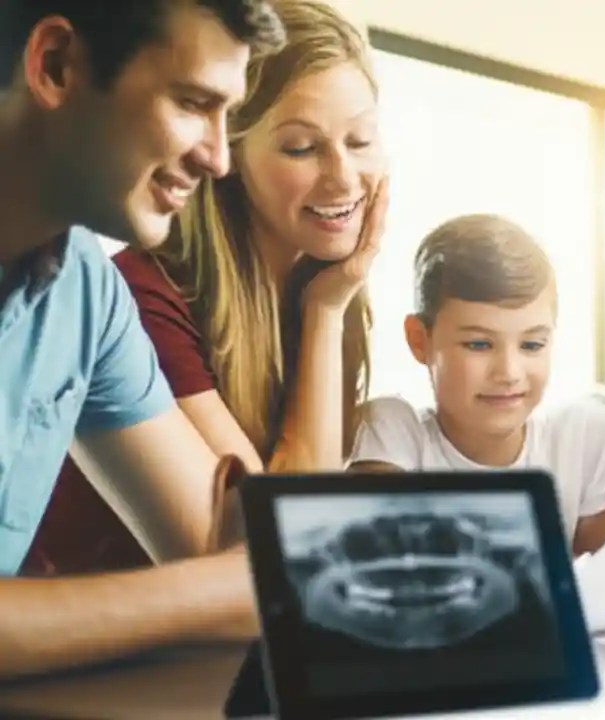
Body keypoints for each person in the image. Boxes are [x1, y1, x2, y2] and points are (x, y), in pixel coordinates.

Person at [21, 0, 386, 577]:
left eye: (362, 140)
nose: (214, 157)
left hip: (192, 651)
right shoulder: (142, 299)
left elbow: (268, 559)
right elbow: (278, 553)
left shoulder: (87, 293)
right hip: (116, 657)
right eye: (300, 147)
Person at [0, 0, 284, 678]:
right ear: (56, 65)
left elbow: (212, 543)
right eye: (193, 103)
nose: (219, 158)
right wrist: (217, 592)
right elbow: (230, 581)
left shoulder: (87, 292)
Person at [347, 215, 605, 555]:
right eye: (479, 345)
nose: (509, 372)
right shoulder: (392, 431)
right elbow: (379, 562)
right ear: (419, 340)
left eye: (532, 345)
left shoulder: (587, 436)